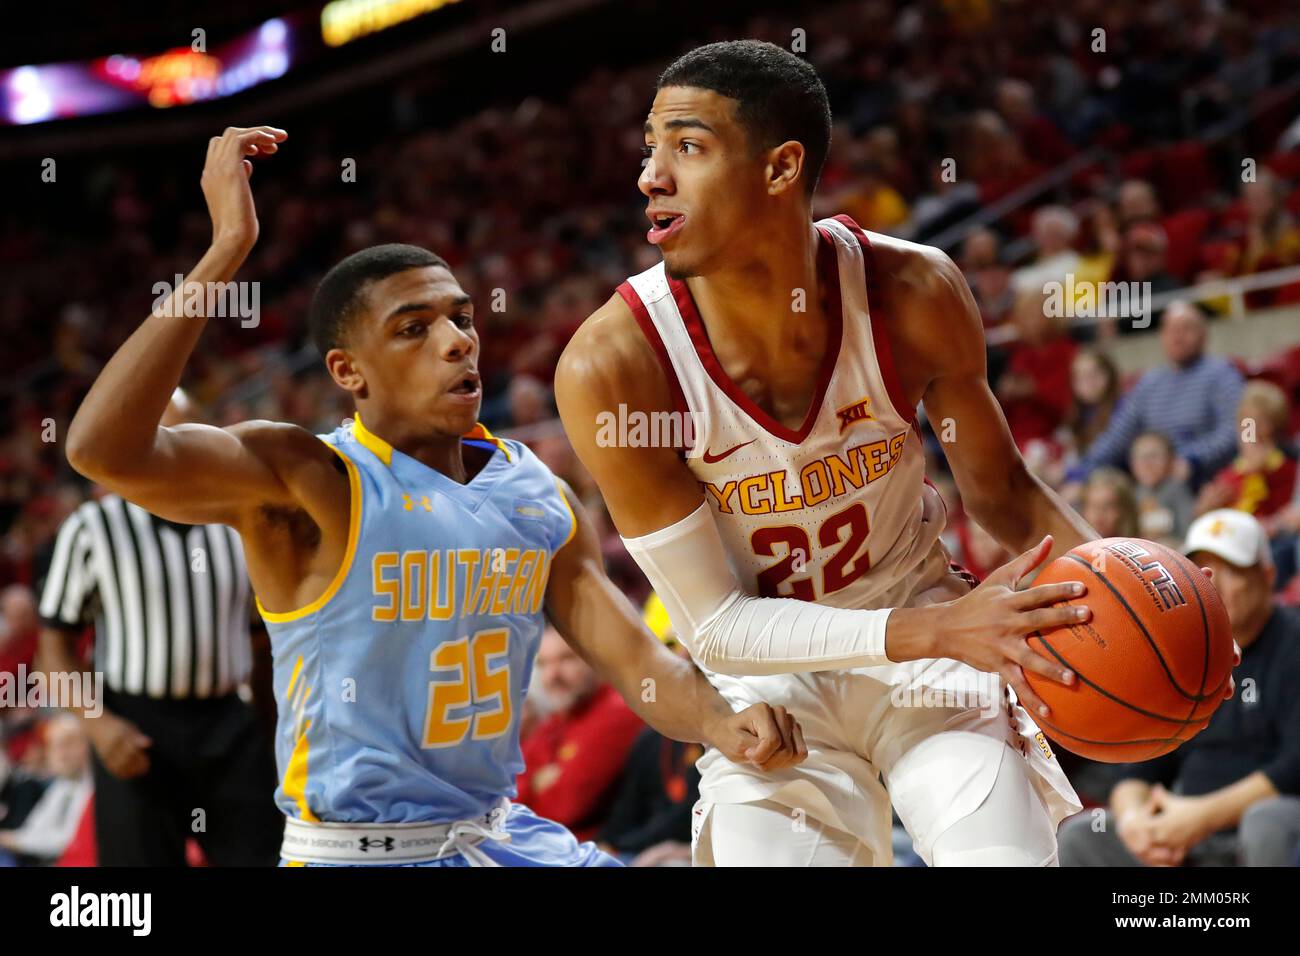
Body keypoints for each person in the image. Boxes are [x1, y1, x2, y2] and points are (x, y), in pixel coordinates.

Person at [64, 125, 805, 868]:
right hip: (356, 854)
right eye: (414, 330)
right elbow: (101, 449)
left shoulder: (535, 492)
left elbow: (636, 663)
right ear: (348, 372)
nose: (456, 341)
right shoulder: (307, 479)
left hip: (499, 836)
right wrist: (225, 249)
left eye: (461, 317)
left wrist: (722, 720)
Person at [556, 40, 1109, 867]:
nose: (650, 177)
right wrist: (933, 629)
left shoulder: (913, 292)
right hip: (775, 692)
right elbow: (717, 627)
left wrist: (1132, 585)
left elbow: (1006, 496)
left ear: (781, 168)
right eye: (649, 148)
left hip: (927, 648)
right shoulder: (615, 366)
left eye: (687, 147)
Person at [36, 389, 283, 866]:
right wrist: (99, 726)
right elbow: (53, 647)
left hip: (230, 726)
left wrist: (272, 735)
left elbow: (259, 645)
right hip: (135, 725)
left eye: (187, 436)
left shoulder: (242, 524)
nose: (174, 449)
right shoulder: (93, 527)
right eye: (157, 438)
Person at [1059, 510, 1300, 866]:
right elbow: (1140, 765)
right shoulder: (1182, 650)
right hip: (1181, 830)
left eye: (1232, 571)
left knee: (1266, 823)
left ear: (1267, 576)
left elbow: (1294, 766)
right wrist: (1135, 823)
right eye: (1205, 573)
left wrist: (1199, 817)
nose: (1215, 586)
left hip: (1257, 826)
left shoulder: (1293, 642)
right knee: (1082, 835)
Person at [1066, 300, 1245, 487]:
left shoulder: (1222, 374)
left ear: (1204, 334)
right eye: (1170, 330)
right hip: (1152, 478)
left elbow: (1235, 430)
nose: (1178, 337)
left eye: (1186, 329)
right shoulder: (1149, 382)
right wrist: (1081, 472)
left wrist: (1193, 460)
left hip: (1203, 475)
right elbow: (1117, 436)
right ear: (1162, 335)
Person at [515, 628, 644, 840]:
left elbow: (564, 807)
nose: (552, 675)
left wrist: (531, 785)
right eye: (543, 664)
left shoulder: (617, 712)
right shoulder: (559, 718)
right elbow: (506, 796)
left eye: (566, 659)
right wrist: (534, 784)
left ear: (597, 660)